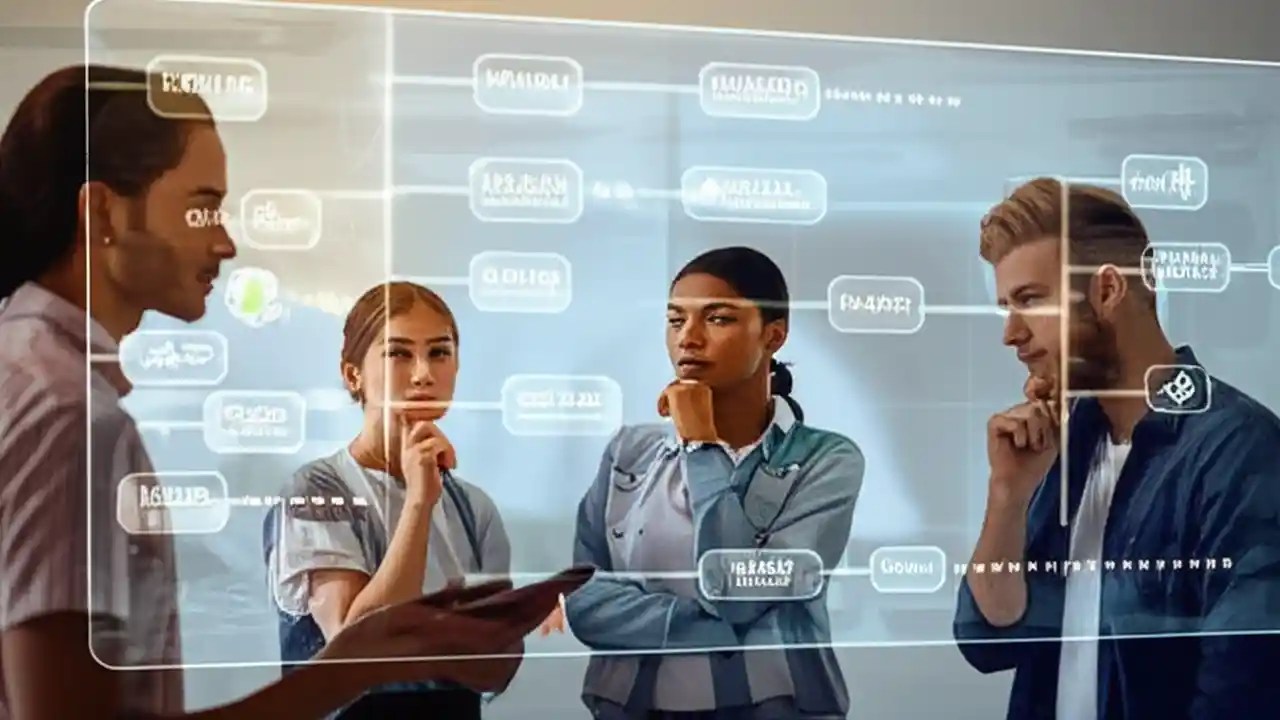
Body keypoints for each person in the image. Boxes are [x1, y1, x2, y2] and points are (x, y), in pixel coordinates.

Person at [0, 64, 571, 720]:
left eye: (440, 353)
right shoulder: (69, 415)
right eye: (201, 205)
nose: (225, 240)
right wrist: (364, 656)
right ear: (102, 211)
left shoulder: (41, 385)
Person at [953, 177, 1280, 719]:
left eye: (1031, 300)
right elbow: (991, 640)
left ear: (1107, 290)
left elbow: (1240, 688)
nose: (1010, 333)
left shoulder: (1240, 453)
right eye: (1006, 306)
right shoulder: (1067, 441)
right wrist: (1008, 495)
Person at [555, 246, 864, 718]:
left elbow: (739, 595)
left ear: (774, 335)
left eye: (717, 319)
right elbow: (583, 598)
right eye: (676, 321)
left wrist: (701, 446)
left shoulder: (825, 459)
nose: (689, 339)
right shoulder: (628, 451)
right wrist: (707, 626)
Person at [265, 281, 518, 718]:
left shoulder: (473, 507)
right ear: (352, 374)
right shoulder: (316, 489)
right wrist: (418, 503)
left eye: (439, 353)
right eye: (398, 353)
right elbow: (357, 647)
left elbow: (497, 667)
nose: (423, 373)